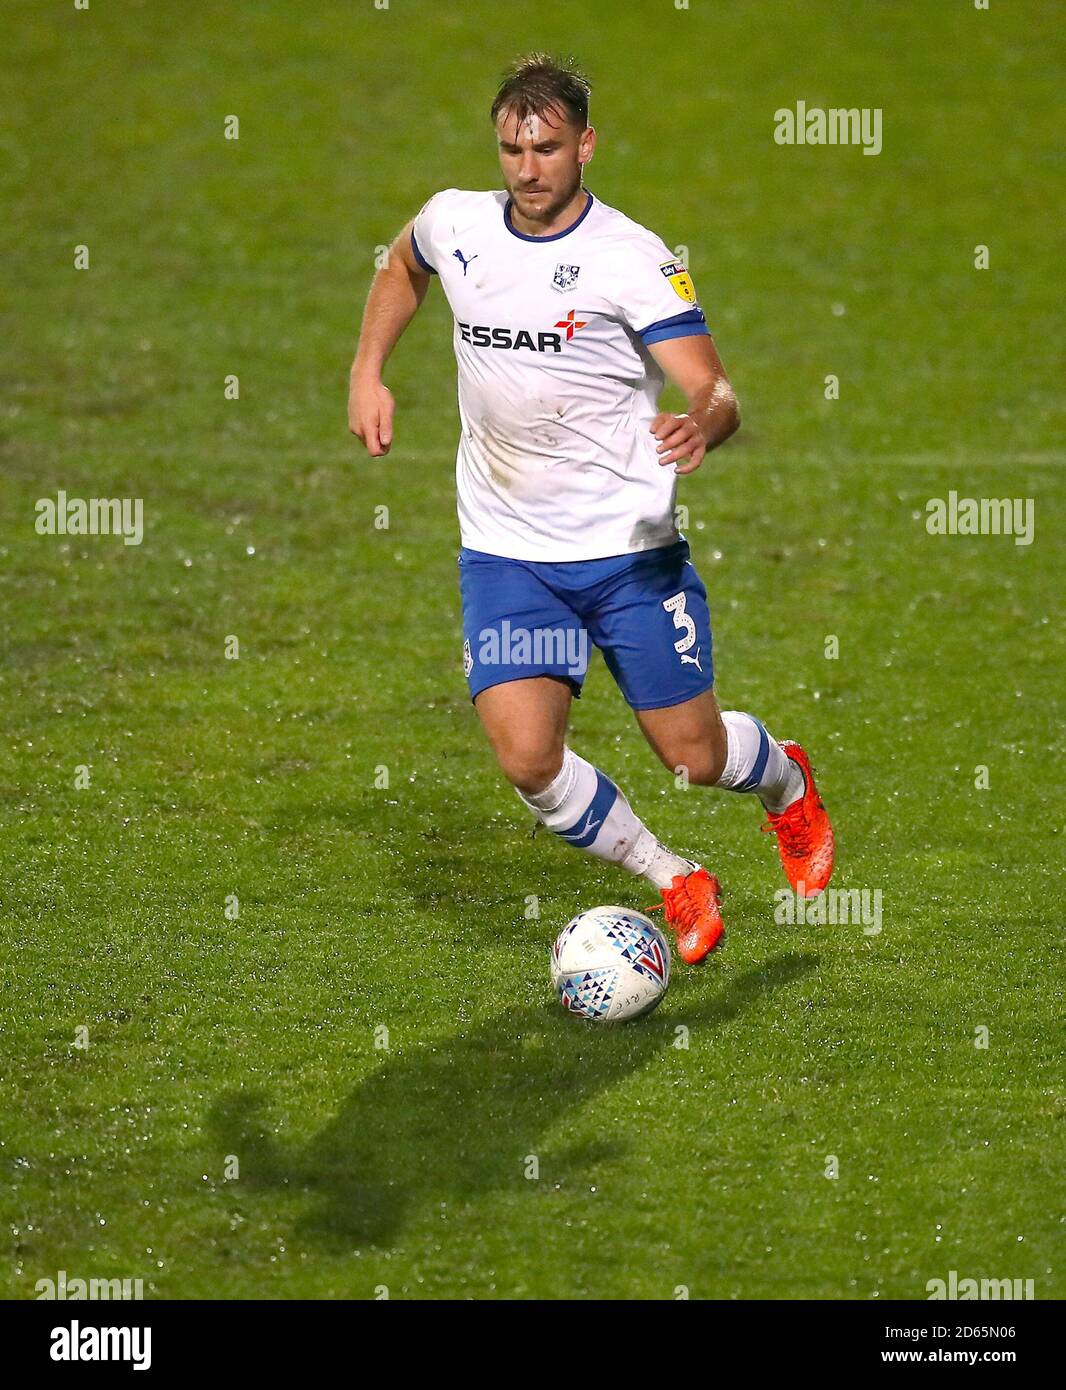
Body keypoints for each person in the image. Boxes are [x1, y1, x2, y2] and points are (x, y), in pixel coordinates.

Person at [348, 53, 834, 964]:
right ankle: (674, 877)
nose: (527, 170)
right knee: (529, 760)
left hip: (626, 555)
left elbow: (714, 387)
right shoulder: (457, 223)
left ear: (586, 146)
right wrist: (368, 370)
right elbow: (403, 263)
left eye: (547, 148)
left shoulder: (630, 258)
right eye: (510, 149)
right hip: (508, 554)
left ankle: (785, 782)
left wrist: (705, 426)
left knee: (692, 756)